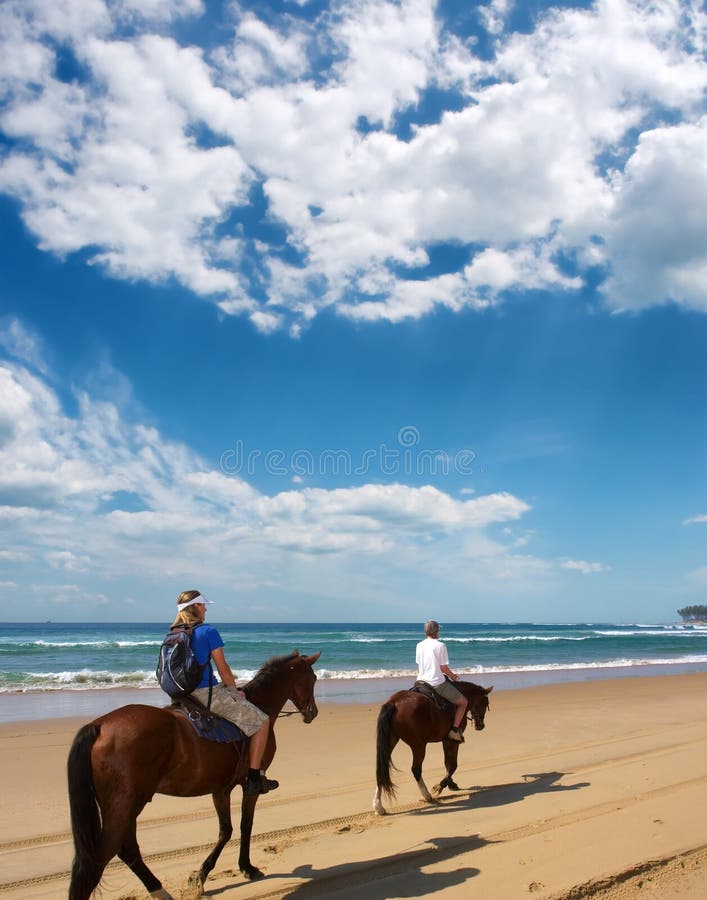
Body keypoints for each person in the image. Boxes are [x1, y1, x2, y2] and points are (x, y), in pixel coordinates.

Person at [171, 589, 278, 796]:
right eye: (203, 605)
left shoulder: (174, 632)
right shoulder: (207, 631)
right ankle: (255, 778)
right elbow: (223, 669)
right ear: (195, 607)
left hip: (182, 695)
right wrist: (234, 691)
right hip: (204, 694)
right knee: (262, 723)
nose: (206, 609)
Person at [415, 620, 468, 742]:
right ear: (436, 630)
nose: (439, 631)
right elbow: (443, 668)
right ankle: (454, 730)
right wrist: (453, 676)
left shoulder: (419, 645)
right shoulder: (440, 645)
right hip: (436, 683)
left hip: (420, 682)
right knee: (463, 702)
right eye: (438, 629)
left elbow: (420, 664)